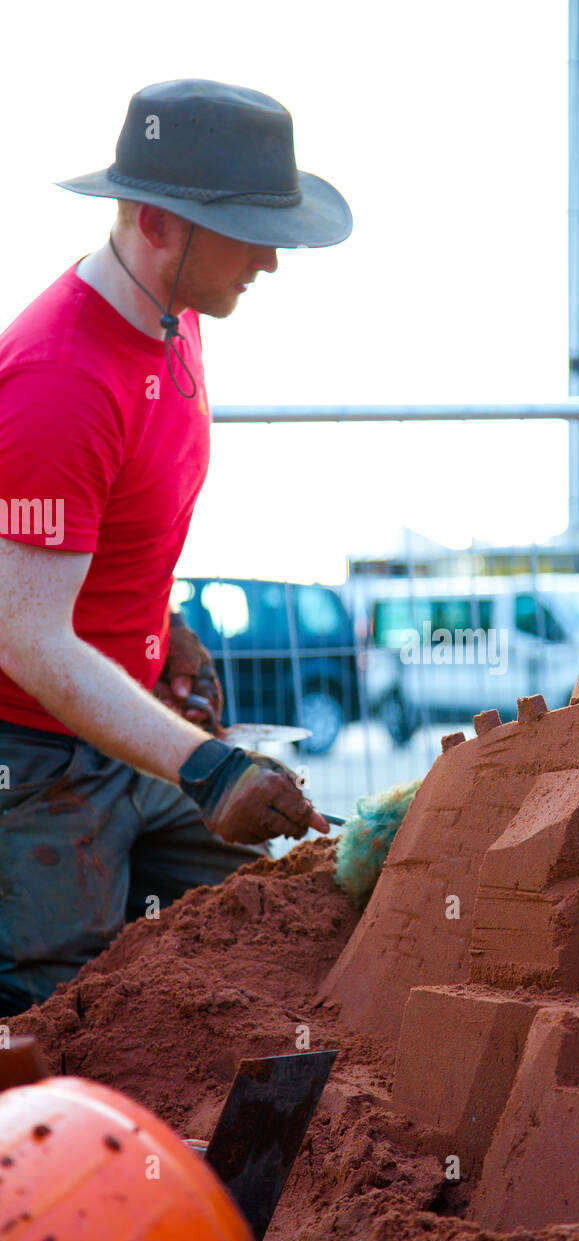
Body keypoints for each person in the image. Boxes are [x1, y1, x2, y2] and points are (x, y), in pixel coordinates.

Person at [0, 79, 352, 1014]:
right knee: (47, 1028)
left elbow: (121, 523)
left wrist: (168, 630)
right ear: (158, 222)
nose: (272, 262)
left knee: (275, 915)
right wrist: (209, 766)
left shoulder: (176, 315)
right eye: (251, 230)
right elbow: (23, 635)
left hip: (120, 730)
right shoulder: (57, 380)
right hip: (29, 762)